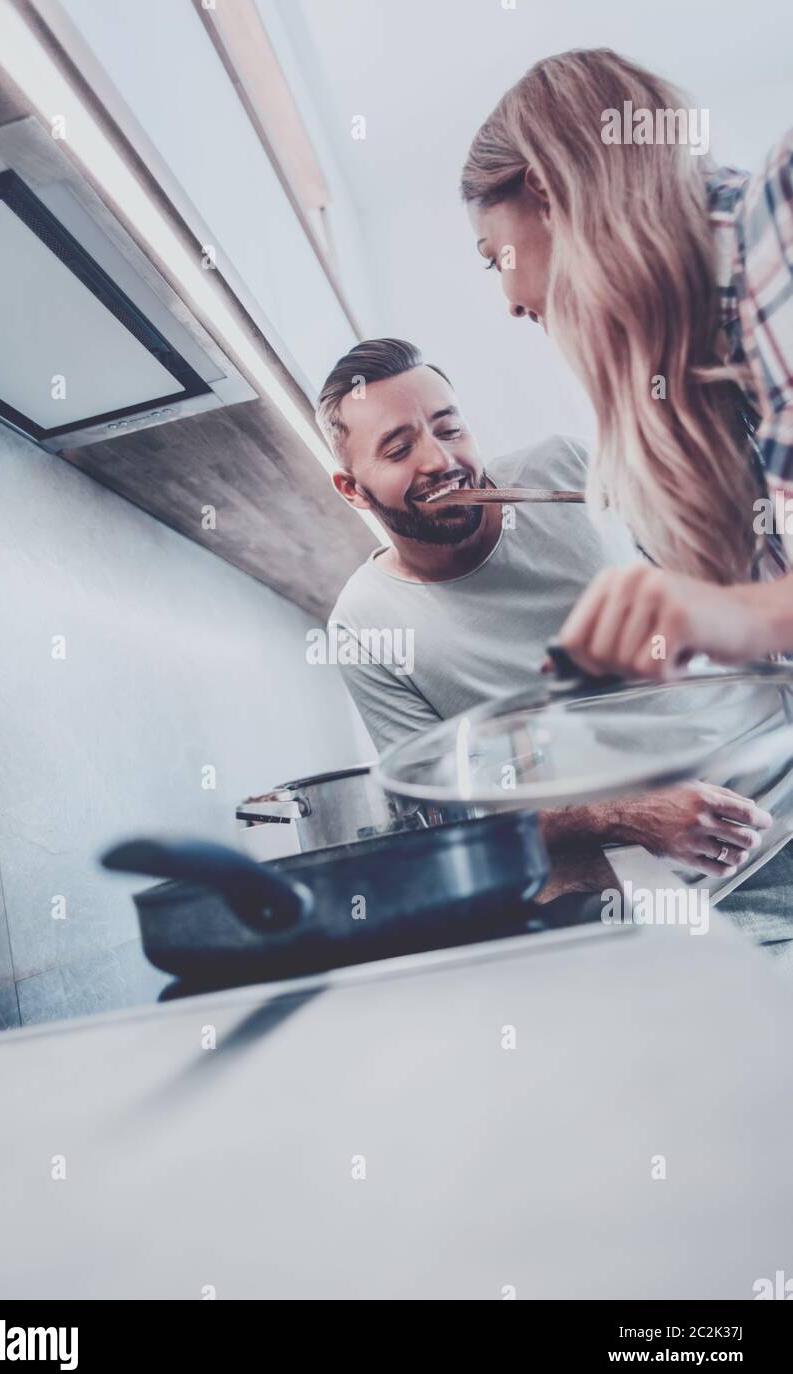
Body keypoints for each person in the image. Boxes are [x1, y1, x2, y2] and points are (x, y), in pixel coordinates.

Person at [315, 336, 777, 879]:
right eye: (398, 449)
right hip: (694, 881)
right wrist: (624, 815)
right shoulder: (362, 626)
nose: (440, 460)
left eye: (449, 428)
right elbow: (446, 814)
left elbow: (741, 581)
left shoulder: (566, 466)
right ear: (352, 489)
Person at [461, 47, 793, 680]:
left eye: (491, 255)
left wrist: (734, 613)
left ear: (549, 193)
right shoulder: (696, 389)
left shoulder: (782, 209)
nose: (509, 302)